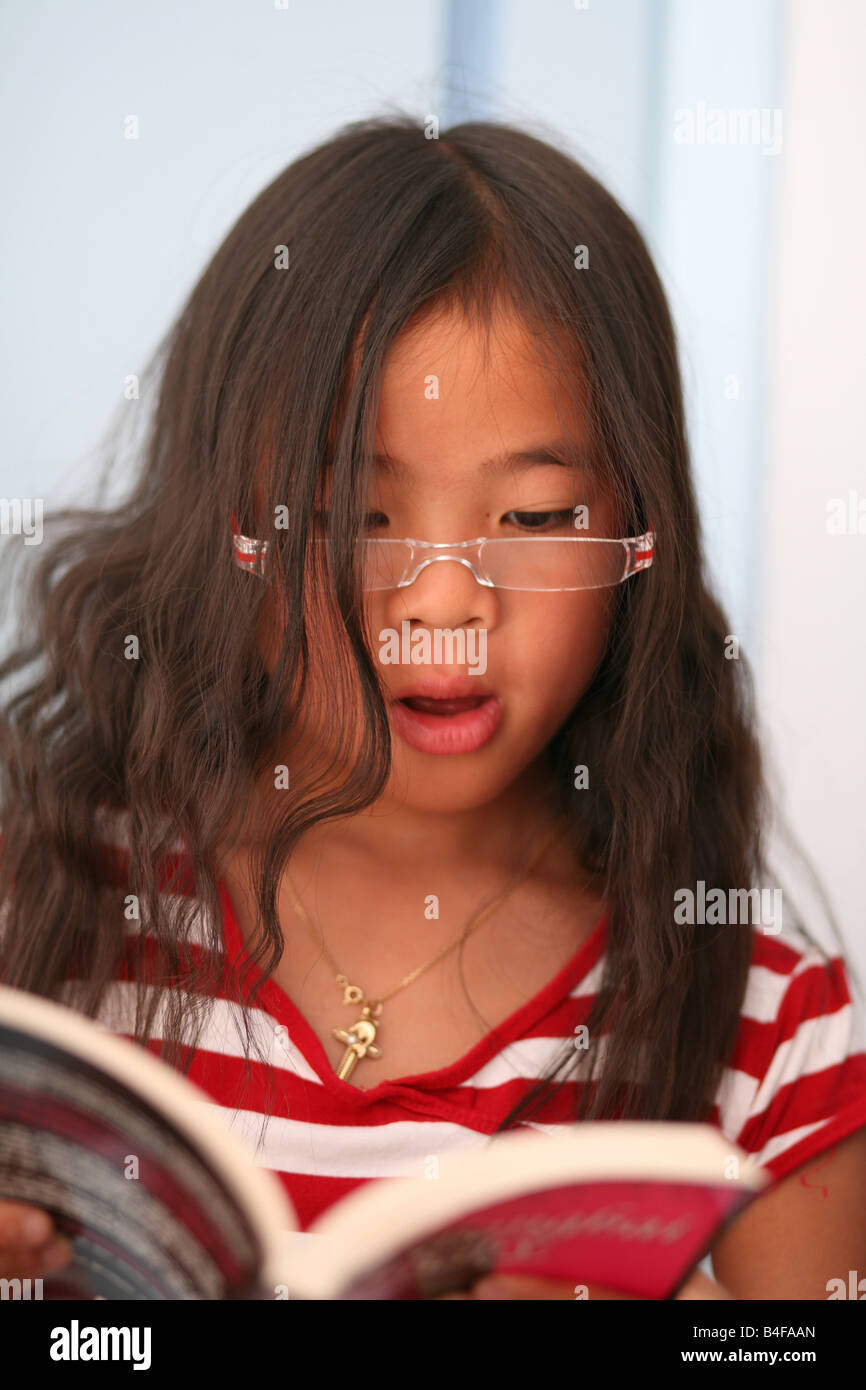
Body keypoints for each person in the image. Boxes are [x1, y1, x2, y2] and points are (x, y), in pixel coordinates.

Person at [1, 115, 864, 1301]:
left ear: (638, 536)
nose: (446, 600)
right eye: (351, 518)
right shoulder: (40, 907)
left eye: (536, 517)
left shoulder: (766, 1034)